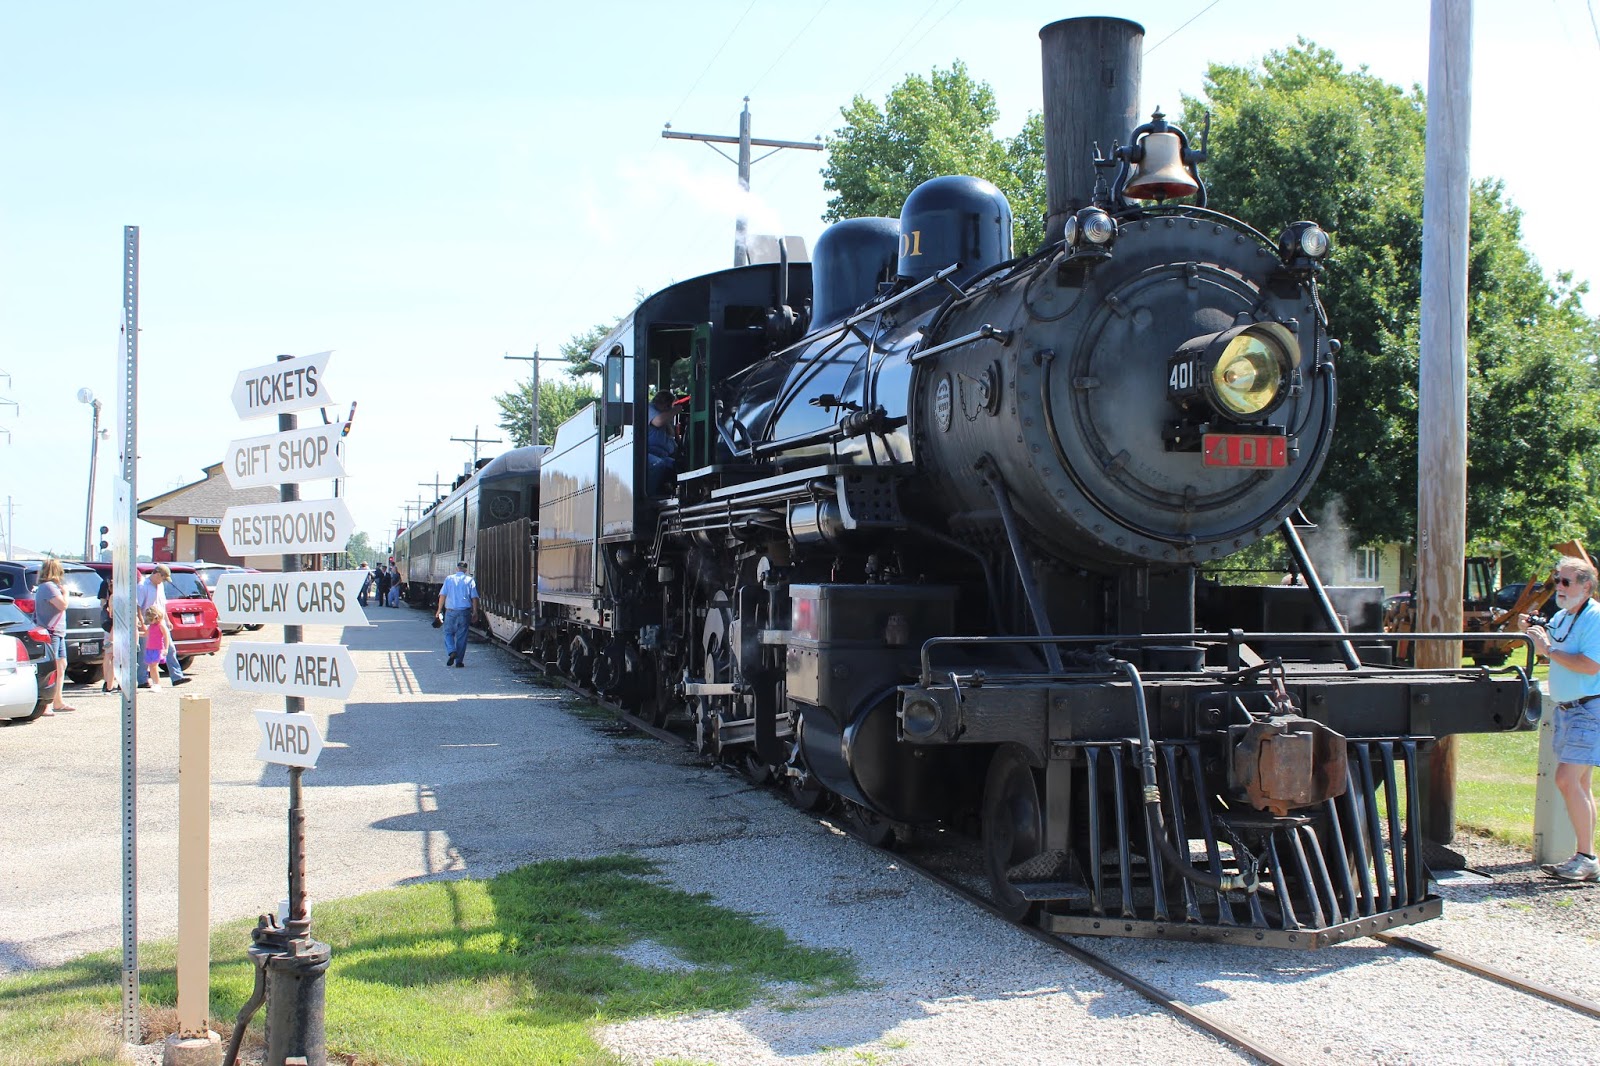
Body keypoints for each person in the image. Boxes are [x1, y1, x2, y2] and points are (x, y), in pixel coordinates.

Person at [1521, 555, 1600, 882]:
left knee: (1566, 780)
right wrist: (1532, 633)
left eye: (1566, 581)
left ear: (1587, 586)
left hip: (1589, 709)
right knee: (1579, 783)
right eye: (1557, 581)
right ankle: (1586, 856)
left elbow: (1590, 665)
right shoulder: (1563, 616)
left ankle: (1587, 858)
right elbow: (1551, 649)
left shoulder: (1595, 618)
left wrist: (1548, 649)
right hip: (1568, 709)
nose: (1559, 587)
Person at [135, 565, 190, 689]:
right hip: (148, 622)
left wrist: (167, 620)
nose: (163, 581)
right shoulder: (142, 586)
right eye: (163, 578)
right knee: (145, 651)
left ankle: (177, 677)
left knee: (170, 648)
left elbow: (162, 605)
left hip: (160, 622)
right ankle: (142, 680)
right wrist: (142, 623)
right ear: (157, 574)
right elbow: (138, 606)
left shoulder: (160, 586)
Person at [33, 558, 73, 714]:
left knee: (61, 665)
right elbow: (63, 605)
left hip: (58, 632)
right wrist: (66, 593)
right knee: (52, 669)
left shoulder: (47, 587)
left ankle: (58, 701)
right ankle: (46, 704)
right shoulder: (48, 587)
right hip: (52, 632)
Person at [434, 560, 479, 667]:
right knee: (462, 637)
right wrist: (475, 611)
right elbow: (474, 597)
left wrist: (439, 610)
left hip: (450, 611)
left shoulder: (449, 579)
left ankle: (451, 650)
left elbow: (442, 595)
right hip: (464, 612)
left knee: (448, 633)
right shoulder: (470, 580)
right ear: (466, 570)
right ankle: (459, 662)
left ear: (457, 568)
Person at [646, 390, 678, 496]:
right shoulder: (649, 408)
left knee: (676, 465)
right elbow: (658, 421)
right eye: (668, 406)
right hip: (646, 453)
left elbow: (671, 435)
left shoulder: (665, 417)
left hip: (662, 455)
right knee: (658, 464)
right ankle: (651, 495)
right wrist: (675, 410)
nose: (669, 409)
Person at [97, 572, 118, 693]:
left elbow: (102, 605)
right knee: (114, 655)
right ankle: (111, 683)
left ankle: (108, 682)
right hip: (114, 628)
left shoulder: (110, 597)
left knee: (109, 655)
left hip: (108, 626)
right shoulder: (116, 598)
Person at [140, 606, 167, 689]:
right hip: (149, 648)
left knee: (154, 666)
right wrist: (136, 633)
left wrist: (166, 648)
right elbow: (145, 634)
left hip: (158, 648)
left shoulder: (161, 626)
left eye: (151, 620)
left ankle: (157, 684)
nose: (150, 622)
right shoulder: (151, 626)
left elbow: (166, 637)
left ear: (156, 618)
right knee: (151, 667)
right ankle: (154, 683)